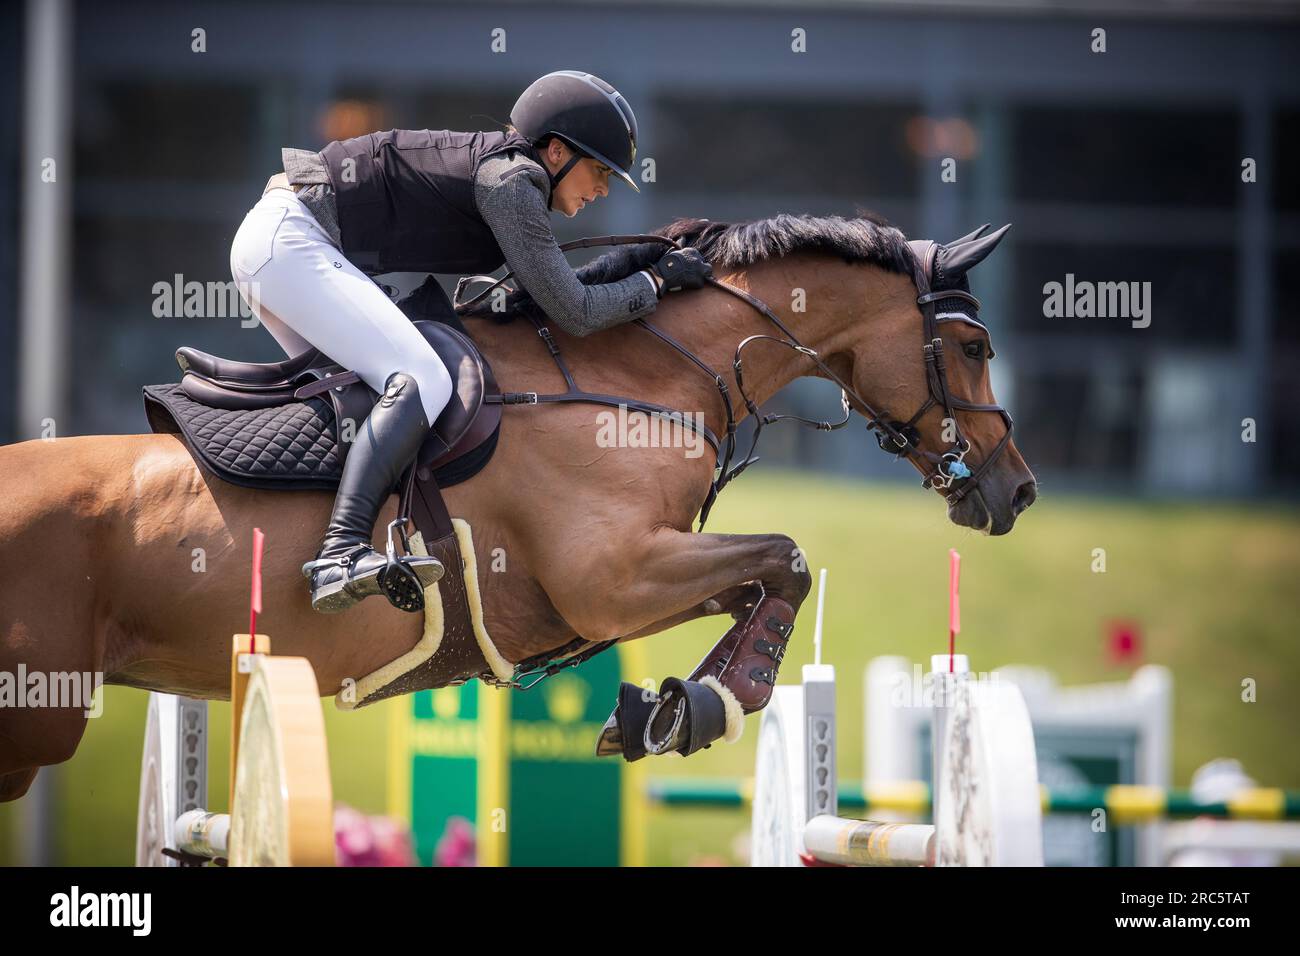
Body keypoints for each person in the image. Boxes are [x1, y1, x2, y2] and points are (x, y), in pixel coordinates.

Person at [230, 71, 712, 614]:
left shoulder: (509, 174)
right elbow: (574, 312)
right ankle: (338, 554)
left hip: (285, 244)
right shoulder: (513, 181)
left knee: (375, 395)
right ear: (556, 152)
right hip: (292, 242)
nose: (601, 189)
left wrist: (646, 276)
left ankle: (320, 537)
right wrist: (654, 283)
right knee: (424, 378)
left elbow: (557, 293)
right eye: (599, 170)